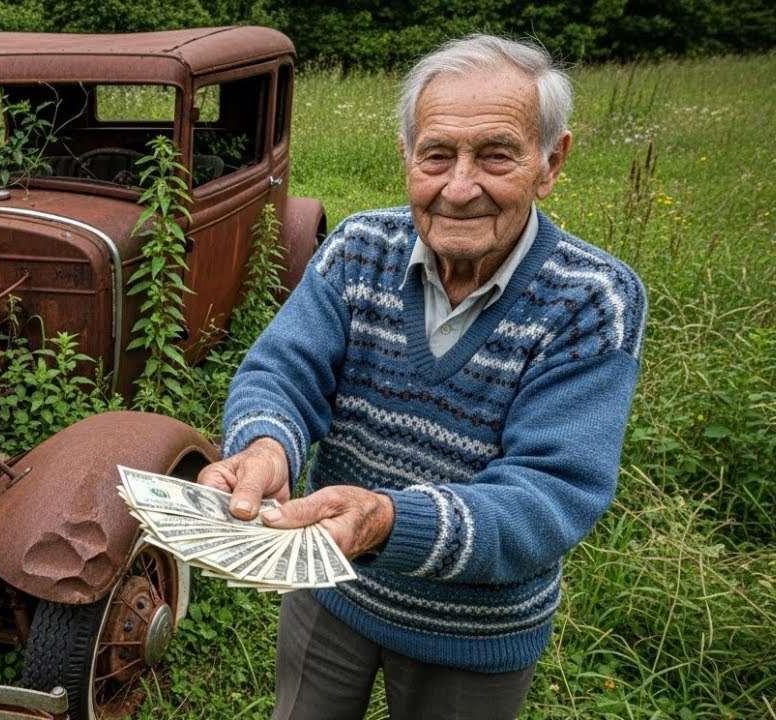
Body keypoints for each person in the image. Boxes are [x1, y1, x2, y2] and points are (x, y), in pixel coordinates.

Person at [197, 33, 646, 720]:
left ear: (551, 162)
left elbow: (551, 491)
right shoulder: (357, 249)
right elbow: (284, 371)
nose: (460, 187)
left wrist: (387, 521)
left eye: (496, 154)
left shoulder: (592, 298)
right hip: (331, 588)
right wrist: (265, 445)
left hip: (473, 635)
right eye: (437, 154)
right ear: (408, 157)